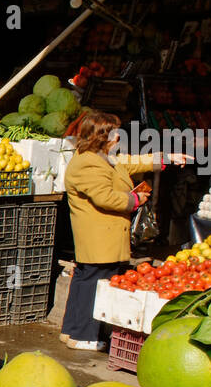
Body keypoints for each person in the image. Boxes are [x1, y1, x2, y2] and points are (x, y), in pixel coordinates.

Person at [60, 111, 161, 351]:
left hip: (99, 237)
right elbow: (105, 197)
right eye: (116, 132)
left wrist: (161, 160)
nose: (119, 136)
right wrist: (135, 200)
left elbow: (125, 163)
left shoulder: (99, 157)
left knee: (84, 281)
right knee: (96, 284)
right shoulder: (88, 163)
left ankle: (71, 331)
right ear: (104, 136)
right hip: (99, 236)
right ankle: (83, 335)